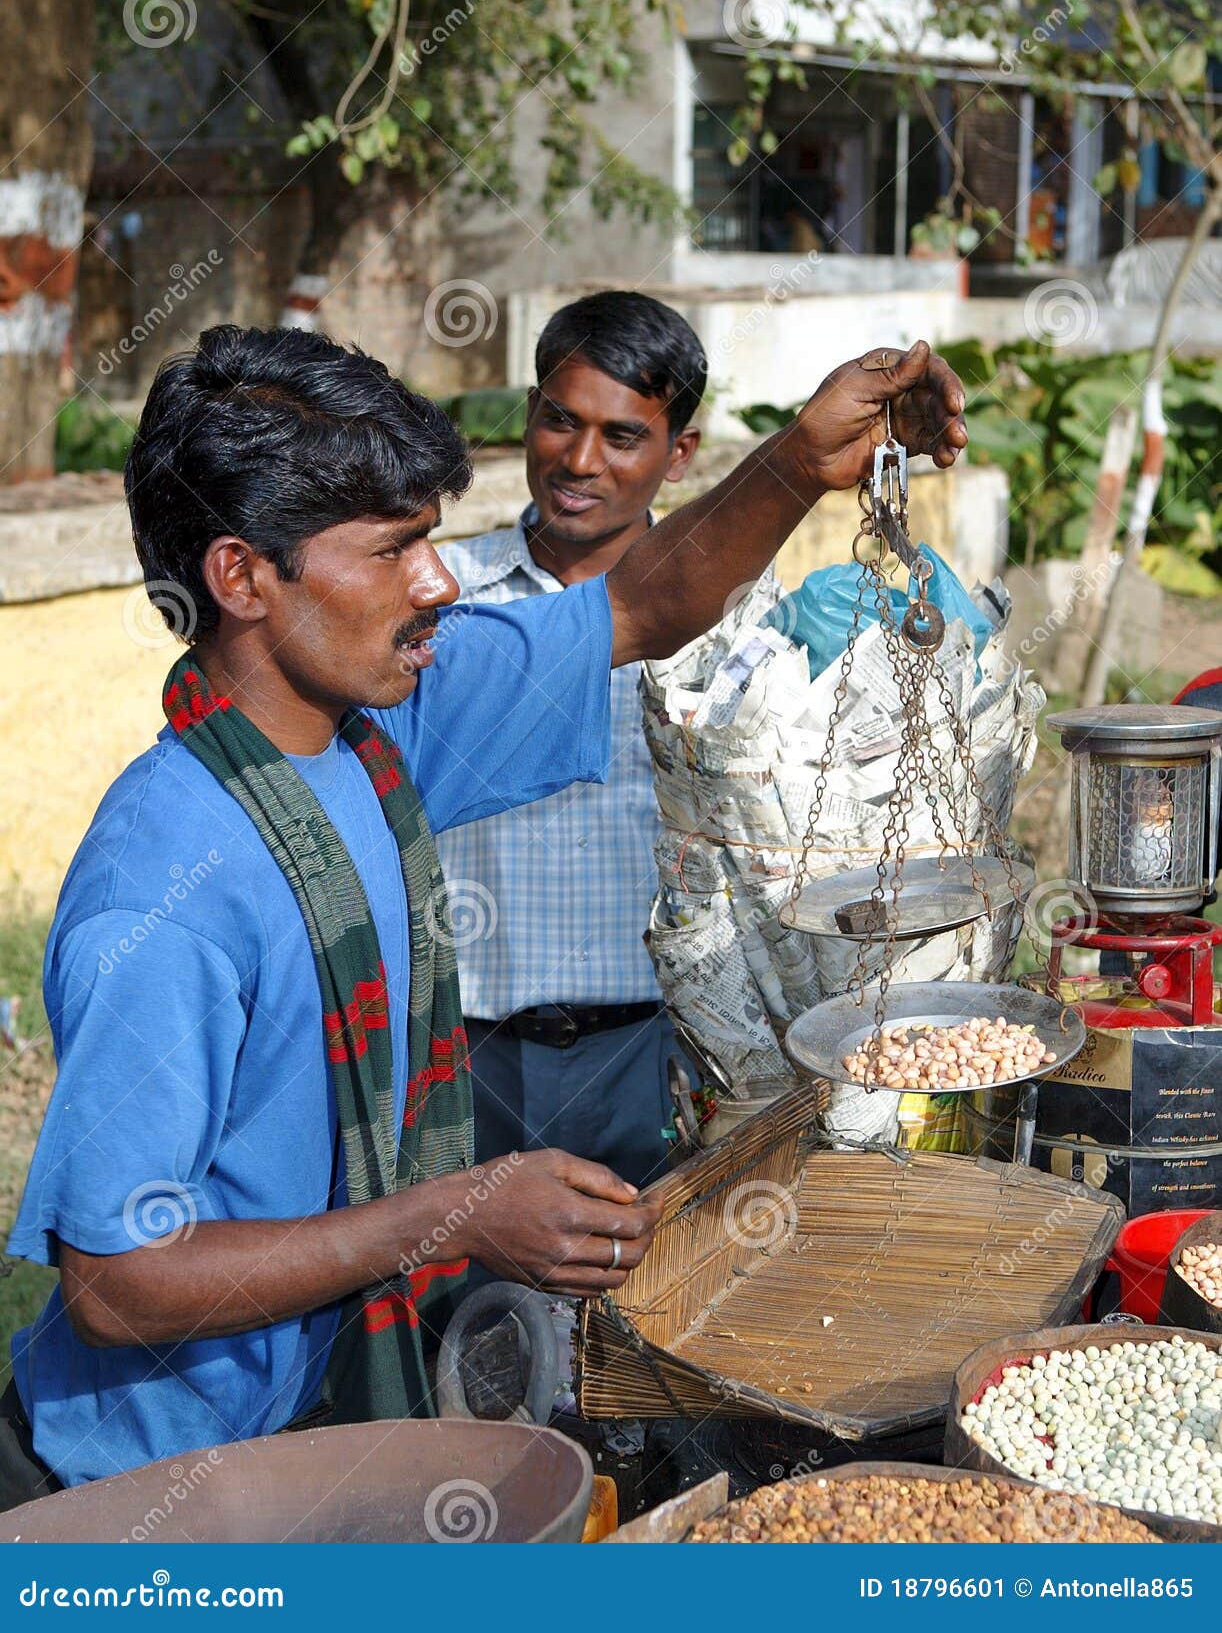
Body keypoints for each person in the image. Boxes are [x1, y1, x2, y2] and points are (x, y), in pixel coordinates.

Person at [2, 324, 967, 1503]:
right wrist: (450, 1212)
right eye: (395, 548)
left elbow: (640, 605)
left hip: (314, 1430)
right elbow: (118, 1283)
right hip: (151, 1495)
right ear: (242, 575)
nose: (440, 581)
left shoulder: (376, 733)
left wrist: (798, 461)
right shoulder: (165, 885)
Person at [437, 291, 705, 1189]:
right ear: (530, 416)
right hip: (465, 1051)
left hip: (656, 1052)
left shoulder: (730, 628)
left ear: (680, 456)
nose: (579, 461)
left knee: (644, 1309)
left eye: (623, 436)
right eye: (560, 420)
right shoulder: (439, 596)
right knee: (461, 1317)